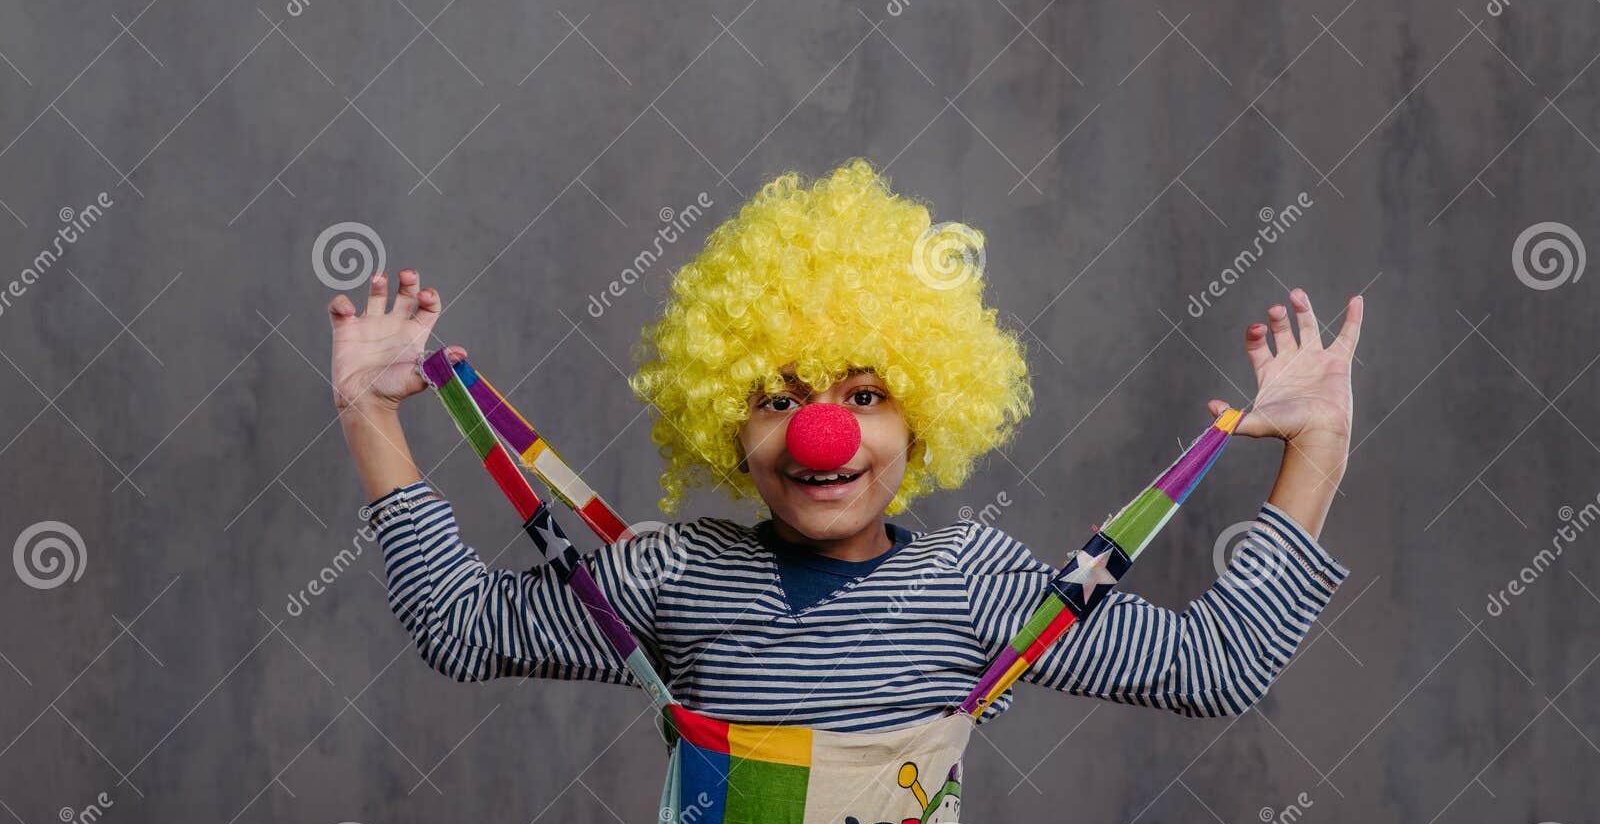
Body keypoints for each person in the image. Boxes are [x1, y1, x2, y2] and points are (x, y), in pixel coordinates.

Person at [328, 159, 1359, 736]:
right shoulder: (670, 572)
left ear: (923, 417)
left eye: (865, 394)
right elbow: (461, 628)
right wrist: (371, 414)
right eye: (778, 398)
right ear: (730, 426)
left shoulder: (975, 585)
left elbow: (1212, 666)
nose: (822, 430)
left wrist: (1314, 446)